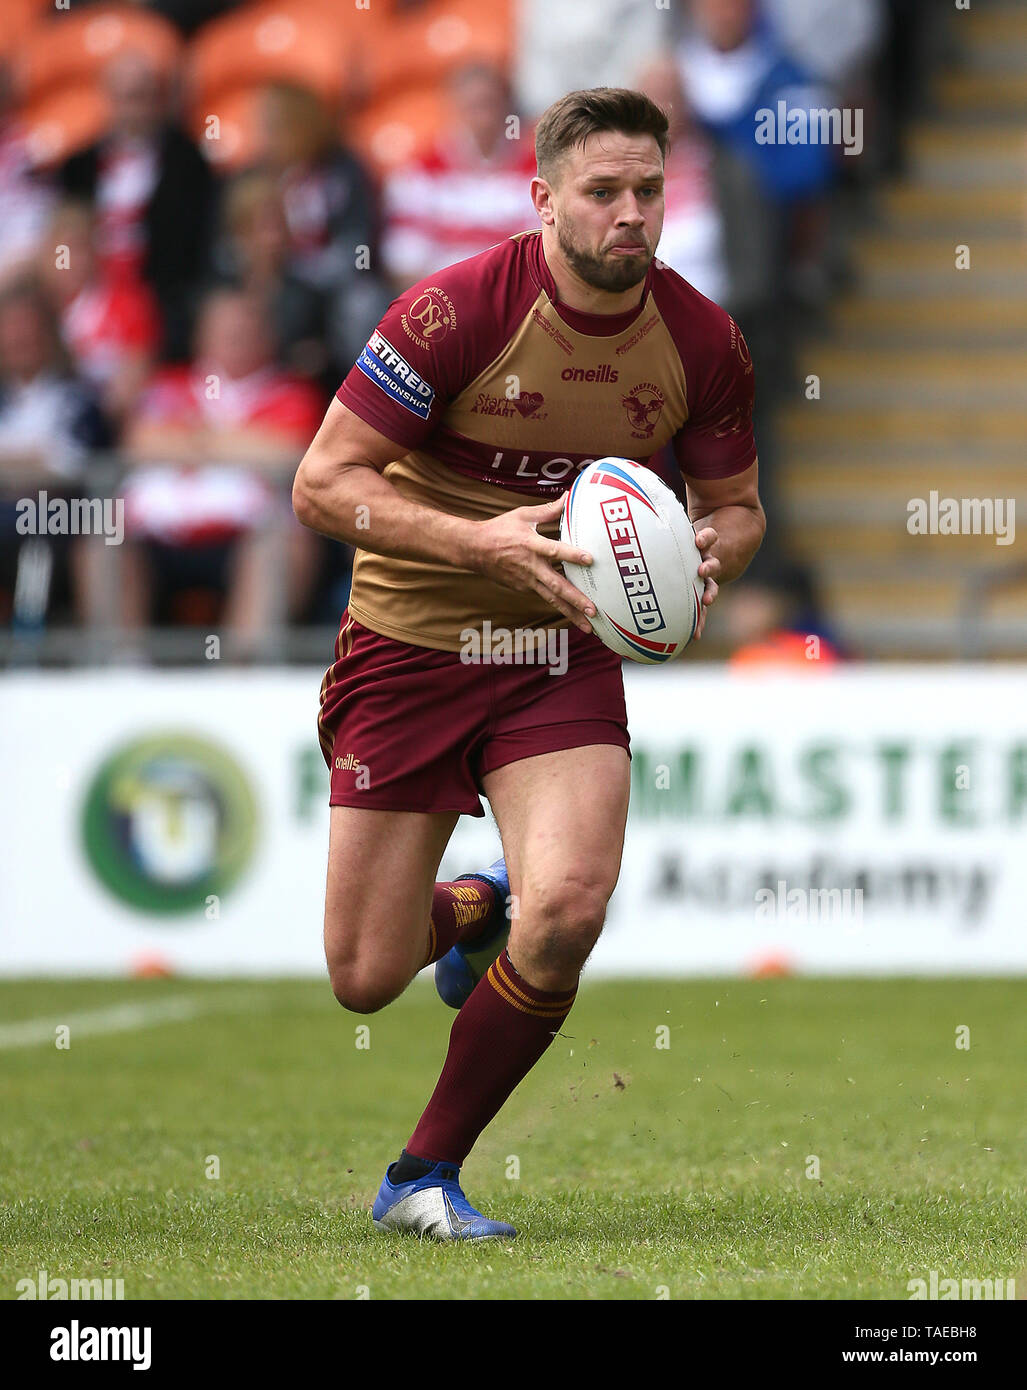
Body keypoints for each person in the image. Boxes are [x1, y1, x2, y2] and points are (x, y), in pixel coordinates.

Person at [292, 88, 765, 1240]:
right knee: (364, 974)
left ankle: (421, 1174)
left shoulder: (701, 338)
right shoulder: (452, 313)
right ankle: (475, 902)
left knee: (568, 908)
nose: (631, 212)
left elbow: (740, 506)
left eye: (648, 189)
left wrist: (708, 553)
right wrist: (478, 543)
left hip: (559, 648)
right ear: (544, 198)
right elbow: (322, 485)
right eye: (603, 191)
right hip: (410, 641)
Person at [58, 49, 217, 363]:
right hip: (89, 295)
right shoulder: (77, 167)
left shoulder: (188, 162)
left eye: (142, 97)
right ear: (107, 99)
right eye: (124, 97)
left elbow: (197, 244)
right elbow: (61, 239)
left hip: (163, 301)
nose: (133, 110)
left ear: (160, 100)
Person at [381, 62, 537, 291]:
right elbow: (405, 264)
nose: (482, 119)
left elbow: (539, 258)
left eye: (489, 104)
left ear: (507, 106)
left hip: (513, 297)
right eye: (471, 107)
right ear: (452, 108)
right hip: (442, 300)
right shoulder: (419, 173)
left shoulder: (535, 171)